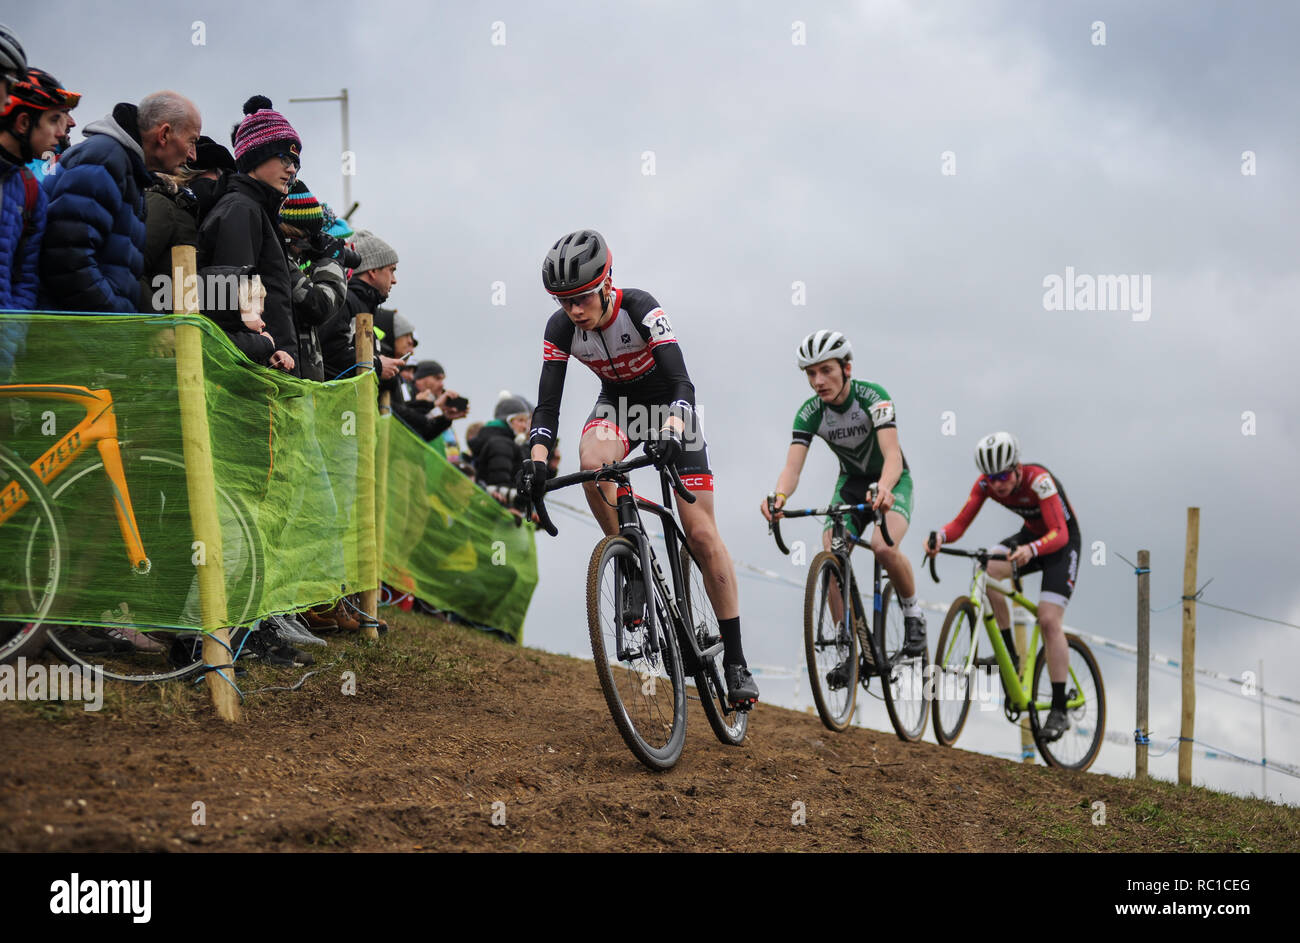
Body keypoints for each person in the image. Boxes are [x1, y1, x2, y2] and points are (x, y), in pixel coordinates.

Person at [521, 229, 758, 706]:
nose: (574, 311)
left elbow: (682, 382)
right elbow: (548, 409)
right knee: (592, 465)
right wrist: (537, 463)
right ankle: (631, 564)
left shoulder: (641, 307)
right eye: (563, 301)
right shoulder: (561, 328)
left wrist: (672, 429)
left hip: (670, 408)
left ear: (607, 283)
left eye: (582, 298)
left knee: (702, 534)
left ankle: (735, 661)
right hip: (618, 408)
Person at [761, 331, 926, 676]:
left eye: (825, 371)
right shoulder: (810, 412)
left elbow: (892, 456)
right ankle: (845, 645)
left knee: (883, 547)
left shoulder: (873, 397)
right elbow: (792, 468)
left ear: (847, 368)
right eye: (810, 374)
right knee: (833, 552)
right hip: (850, 485)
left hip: (892, 480)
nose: (818, 381)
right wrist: (778, 496)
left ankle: (914, 616)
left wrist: (884, 488)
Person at [924, 432, 1081, 742]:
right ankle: (1010, 655)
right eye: (992, 477)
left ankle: (1060, 708)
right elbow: (960, 523)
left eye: (1004, 475)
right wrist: (940, 536)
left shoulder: (1039, 481)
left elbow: (1060, 533)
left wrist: (1033, 550)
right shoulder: (985, 485)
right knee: (988, 568)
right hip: (1030, 538)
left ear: (1017, 467)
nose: (997, 484)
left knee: (1049, 620)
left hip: (1060, 545)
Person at [41, 90, 201, 312]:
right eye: (191, 141)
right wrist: (119, 321)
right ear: (164, 135)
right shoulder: (104, 160)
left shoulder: (126, 168)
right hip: (83, 332)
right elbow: (68, 259)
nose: (193, 155)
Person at [196, 95, 299, 371]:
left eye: (296, 163)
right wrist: (264, 353)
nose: (291, 169)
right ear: (256, 156)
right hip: (257, 372)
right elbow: (235, 306)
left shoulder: (257, 210)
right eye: (285, 158)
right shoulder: (241, 210)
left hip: (272, 362)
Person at [319, 228, 402, 381]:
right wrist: (377, 365)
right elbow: (329, 351)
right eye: (391, 270)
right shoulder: (346, 301)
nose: (394, 279)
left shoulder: (364, 305)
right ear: (373, 270)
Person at [469, 391, 533, 508]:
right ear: (508, 421)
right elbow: (500, 488)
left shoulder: (505, 443)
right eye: (520, 420)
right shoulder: (501, 444)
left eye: (526, 421)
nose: (525, 427)